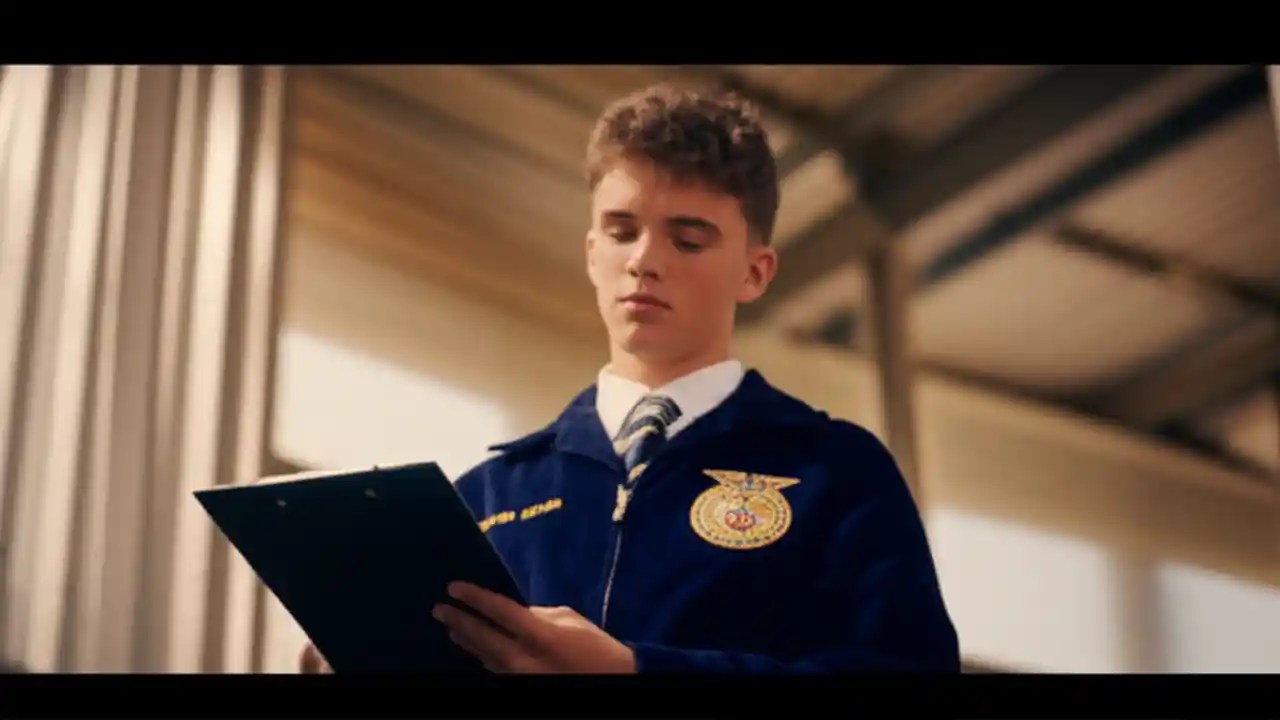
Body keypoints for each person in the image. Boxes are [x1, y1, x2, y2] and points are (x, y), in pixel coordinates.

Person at [300, 82, 960, 674]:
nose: (644, 259)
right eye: (621, 231)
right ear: (592, 253)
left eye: (689, 239)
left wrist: (637, 675)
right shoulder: (484, 499)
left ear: (755, 272)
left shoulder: (837, 474)